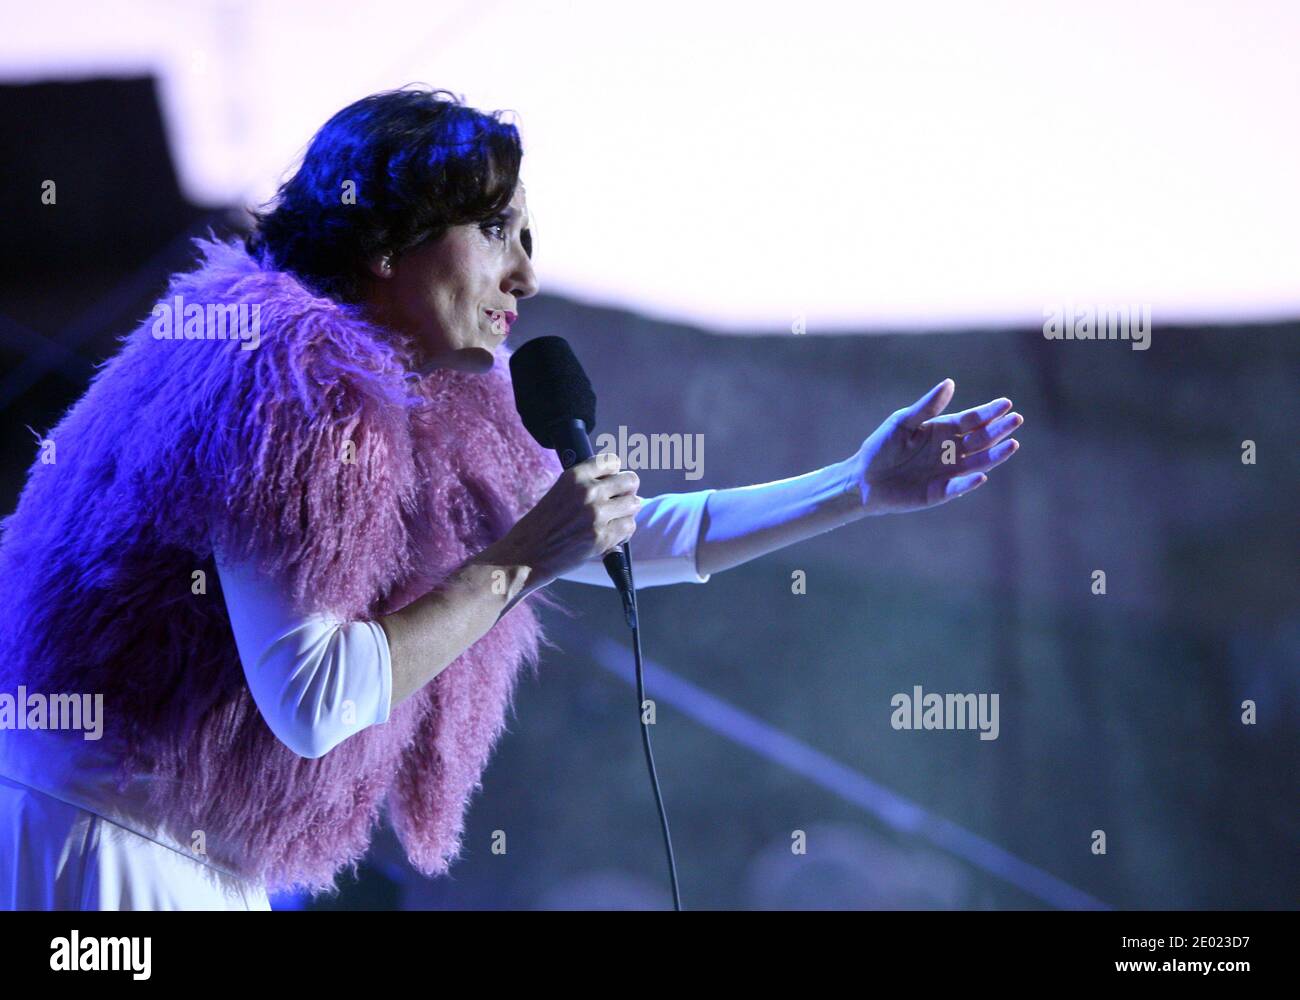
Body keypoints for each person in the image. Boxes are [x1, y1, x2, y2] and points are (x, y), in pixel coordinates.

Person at [0, 86, 1022, 911]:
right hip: (99, 835)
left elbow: (625, 526)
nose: (525, 273)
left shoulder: (411, 403)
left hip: (172, 843)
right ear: (386, 235)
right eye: (495, 229)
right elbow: (312, 701)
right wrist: (521, 558)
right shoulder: (287, 370)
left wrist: (855, 485)